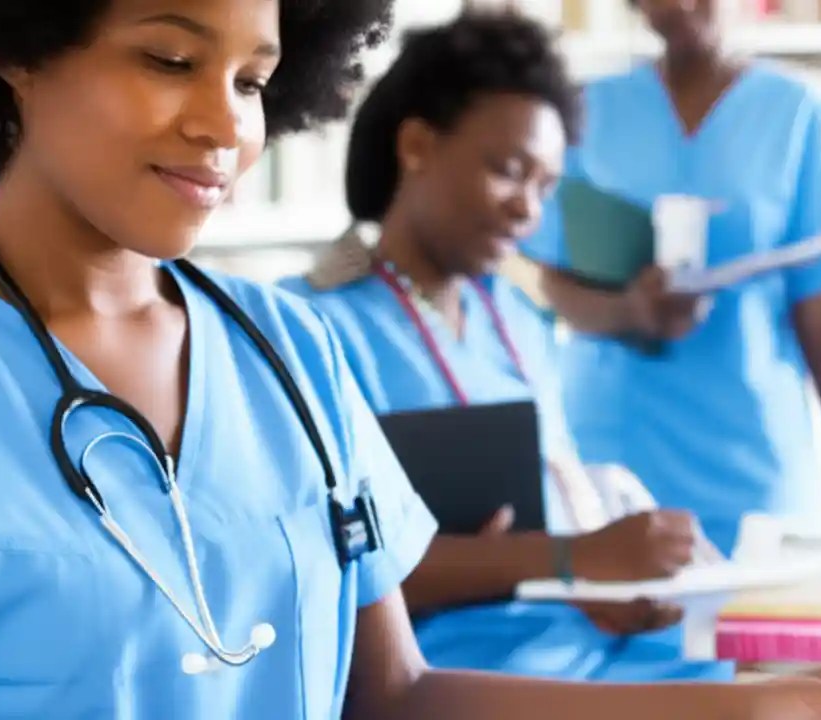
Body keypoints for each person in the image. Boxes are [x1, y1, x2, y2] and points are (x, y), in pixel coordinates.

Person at [0, 0, 821, 718]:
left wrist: (736, 706)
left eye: (251, 80)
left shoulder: (289, 349)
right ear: (16, 41)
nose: (223, 126)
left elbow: (393, 695)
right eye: (168, 58)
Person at [282, 11, 736, 684]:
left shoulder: (518, 322)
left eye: (545, 186)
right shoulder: (308, 328)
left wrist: (609, 581)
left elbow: (559, 523)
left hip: (580, 647)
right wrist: (570, 559)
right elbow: (325, 569)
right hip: (466, 675)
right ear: (416, 146)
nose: (528, 209)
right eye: (508, 170)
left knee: (772, 674)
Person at [516, 0, 821, 555]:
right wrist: (630, 313)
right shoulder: (588, 112)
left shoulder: (797, 114)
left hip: (752, 456)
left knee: (756, 632)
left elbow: (819, 315)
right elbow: (549, 285)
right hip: (613, 448)